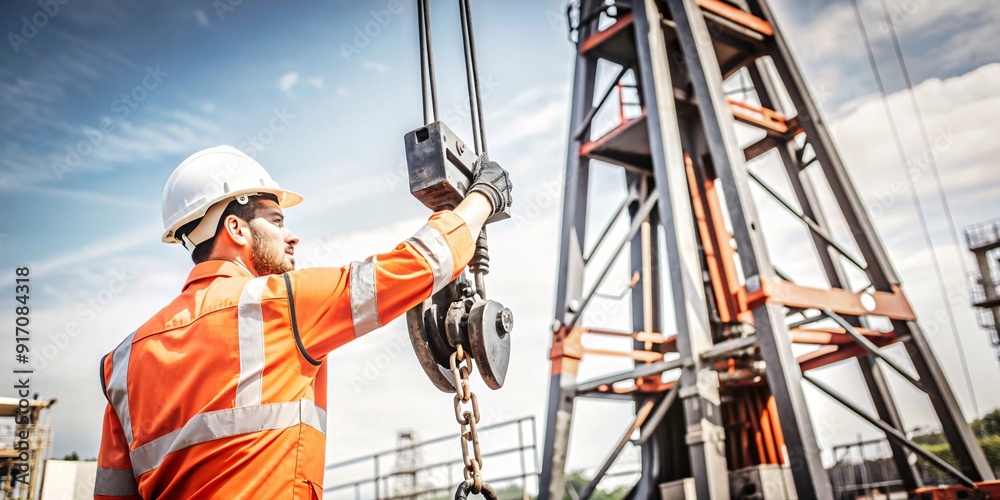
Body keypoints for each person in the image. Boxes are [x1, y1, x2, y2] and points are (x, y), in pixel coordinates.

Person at [94, 145, 512, 499]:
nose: (291, 236)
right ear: (236, 228)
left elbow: (111, 492)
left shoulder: (121, 362)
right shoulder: (278, 304)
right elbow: (412, 268)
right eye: (276, 221)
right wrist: (482, 201)